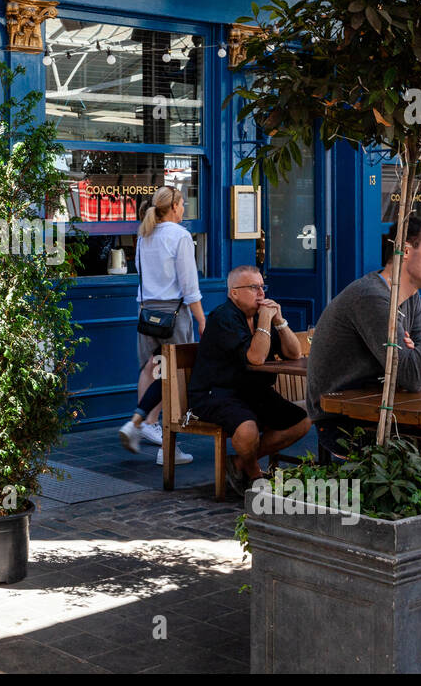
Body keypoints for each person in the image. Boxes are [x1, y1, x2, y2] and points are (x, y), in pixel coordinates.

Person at [305, 214, 421, 460]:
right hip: (344, 421)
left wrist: (413, 359)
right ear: (405, 250)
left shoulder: (410, 296)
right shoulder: (373, 297)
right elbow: (413, 374)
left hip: (386, 410)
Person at [184, 265, 310, 493]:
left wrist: (279, 321)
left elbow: (294, 354)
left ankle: (238, 463)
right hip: (216, 392)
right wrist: (264, 321)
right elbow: (256, 358)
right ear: (234, 292)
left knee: (301, 422)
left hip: (253, 391)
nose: (261, 293)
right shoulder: (223, 317)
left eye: (263, 286)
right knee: (247, 430)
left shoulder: (265, 316)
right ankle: (254, 474)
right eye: (253, 287)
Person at [117, 187, 206, 462]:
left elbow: (142, 275)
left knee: (152, 369)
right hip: (174, 314)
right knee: (174, 377)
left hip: (146, 311)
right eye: (183, 204)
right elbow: (189, 286)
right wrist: (202, 320)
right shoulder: (180, 236)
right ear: (175, 206)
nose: (184, 209)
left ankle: (145, 426)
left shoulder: (145, 235)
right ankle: (161, 444)